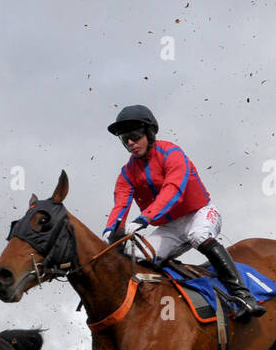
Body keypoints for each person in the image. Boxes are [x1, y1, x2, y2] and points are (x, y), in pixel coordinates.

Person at [101, 105, 264, 319]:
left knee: (198, 235)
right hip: (169, 227)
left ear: (150, 133)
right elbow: (120, 205)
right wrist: (109, 231)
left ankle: (243, 295)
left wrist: (143, 219)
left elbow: (173, 191)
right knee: (138, 257)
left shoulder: (172, 153)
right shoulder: (127, 173)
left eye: (134, 136)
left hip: (200, 213)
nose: (130, 143)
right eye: (125, 139)